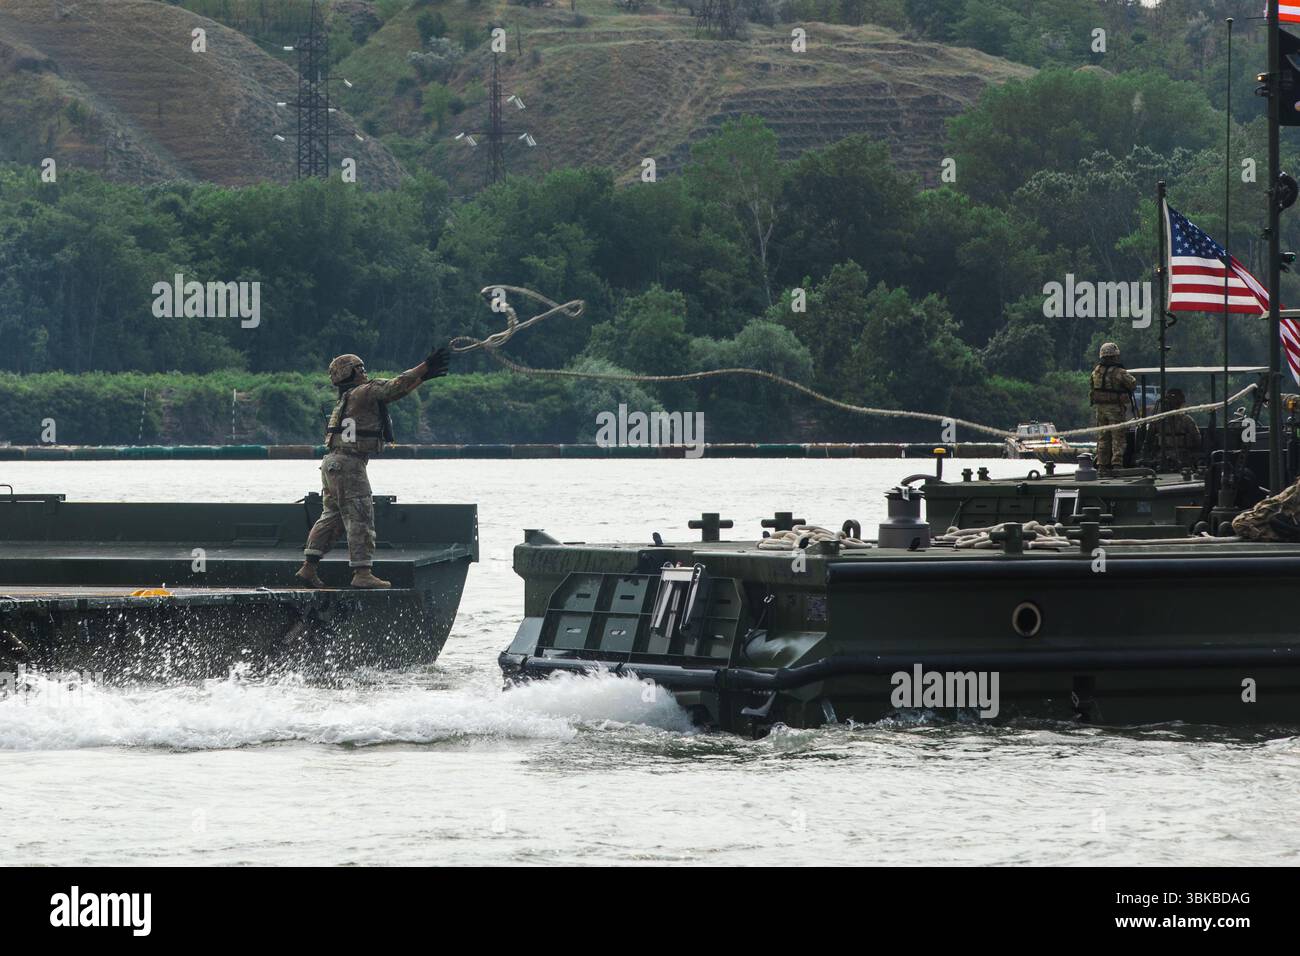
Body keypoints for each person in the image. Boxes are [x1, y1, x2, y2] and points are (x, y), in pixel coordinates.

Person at [295, 347, 450, 589]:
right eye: (361, 368)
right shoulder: (366, 392)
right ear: (352, 372)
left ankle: (308, 567)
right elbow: (393, 387)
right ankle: (362, 573)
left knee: (331, 517)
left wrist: (423, 376)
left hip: (331, 464)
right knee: (360, 516)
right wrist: (424, 366)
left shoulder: (347, 398)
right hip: (350, 464)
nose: (365, 372)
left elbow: (399, 389)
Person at [1089, 342, 1136, 473]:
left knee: (1103, 437)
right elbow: (1132, 383)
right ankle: (1117, 464)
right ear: (1114, 356)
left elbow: (1093, 388)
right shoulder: (1119, 372)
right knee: (1118, 437)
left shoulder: (1096, 372)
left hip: (1100, 410)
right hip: (1115, 409)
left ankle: (1102, 465)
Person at [1141, 387, 1201, 471]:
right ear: (1181, 402)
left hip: (1161, 459)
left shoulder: (1157, 419)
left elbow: (1148, 440)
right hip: (1182, 460)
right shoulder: (1187, 420)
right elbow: (1197, 440)